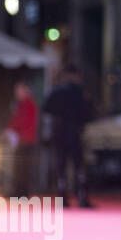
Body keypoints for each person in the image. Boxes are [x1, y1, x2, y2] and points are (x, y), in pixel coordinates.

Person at [41, 64, 94, 208]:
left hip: (59, 131)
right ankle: (82, 197)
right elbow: (88, 112)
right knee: (79, 165)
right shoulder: (80, 92)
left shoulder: (56, 91)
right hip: (75, 132)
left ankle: (62, 198)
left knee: (61, 165)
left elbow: (46, 109)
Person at [4, 81, 39, 197]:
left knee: (23, 168)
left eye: (19, 91)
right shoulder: (21, 105)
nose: (17, 94)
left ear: (25, 91)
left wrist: (11, 128)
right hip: (21, 140)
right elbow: (15, 119)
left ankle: (22, 192)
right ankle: (18, 191)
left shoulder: (29, 105)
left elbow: (22, 121)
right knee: (18, 168)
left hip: (26, 140)